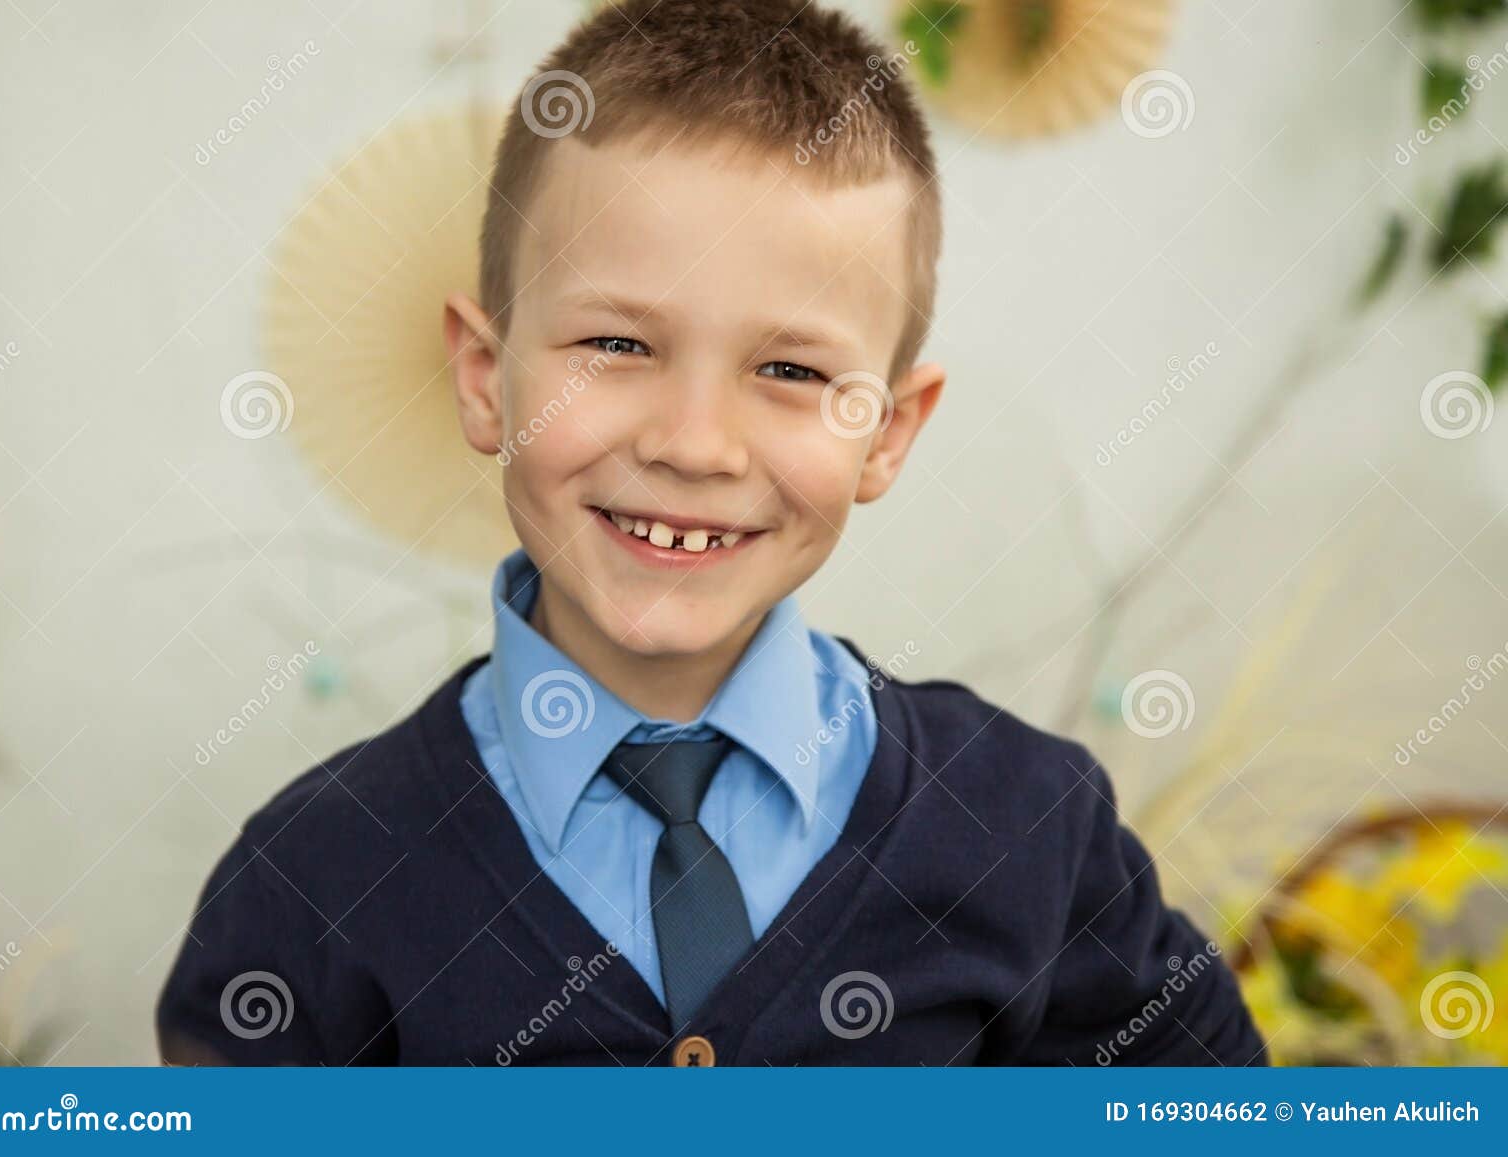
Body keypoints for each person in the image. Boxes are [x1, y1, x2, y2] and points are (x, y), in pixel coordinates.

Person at [157, 0, 1265, 1067]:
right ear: (487, 377)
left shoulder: (1029, 828)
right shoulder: (310, 882)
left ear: (885, 431)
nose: (695, 444)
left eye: (788, 370)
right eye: (617, 344)